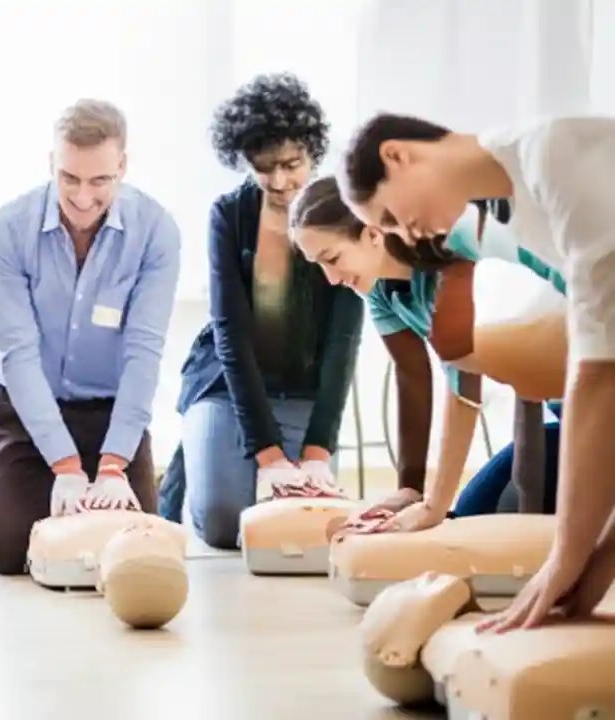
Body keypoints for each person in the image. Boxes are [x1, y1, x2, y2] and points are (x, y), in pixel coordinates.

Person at [335, 112, 615, 632]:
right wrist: (591, 563)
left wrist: (567, 555)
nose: (402, 234)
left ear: (398, 155)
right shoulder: (525, 216)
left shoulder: (550, 155)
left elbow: (599, 373)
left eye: (390, 216)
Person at [290, 174, 567, 529]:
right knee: (467, 517)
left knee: (505, 515)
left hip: (596, 400)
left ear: (372, 234)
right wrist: (410, 490)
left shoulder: (455, 251)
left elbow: (464, 387)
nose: (330, 279)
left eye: (332, 258)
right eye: (318, 265)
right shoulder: (380, 292)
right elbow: (412, 375)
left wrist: (434, 504)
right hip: (564, 412)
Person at [0, 98, 181, 575]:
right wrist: (66, 467)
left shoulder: (156, 231)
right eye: (69, 178)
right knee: (6, 547)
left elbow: (143, 351)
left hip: (109, 412)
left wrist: (113, 465)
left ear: (123, 166)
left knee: (135, 547)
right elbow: (18, 354)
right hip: (29, 411)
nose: (84, 197)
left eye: (100, 181)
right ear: (52, 163)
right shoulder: (9, 229)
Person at [158, 73, 363, 548]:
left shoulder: (340, 212)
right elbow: (230, 337)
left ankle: (235, 456)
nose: (279, 181)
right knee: (227, 525)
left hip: (301, 389)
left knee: (293, 521)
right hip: (225, 386)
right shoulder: (227, 216)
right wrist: (269, 456)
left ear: (312, 152)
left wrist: (316, 452)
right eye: (263, 166)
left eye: (291, 164)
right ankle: (199, 449)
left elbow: (343, 340)